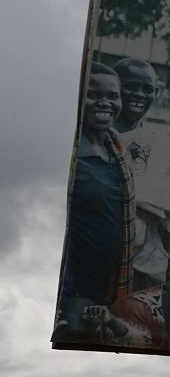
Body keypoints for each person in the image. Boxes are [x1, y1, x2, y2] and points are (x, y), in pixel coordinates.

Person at [56, 62, 137, 332]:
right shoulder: (72, 156)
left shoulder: (117, 148)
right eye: (94, 94)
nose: (105, 103)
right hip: (76, 291)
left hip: (110, 289)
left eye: (112, 96)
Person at [112, 58, 170, 287]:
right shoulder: (95, 136)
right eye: (130, 86)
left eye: (147, 89)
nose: (139, 95)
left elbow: (163, 197)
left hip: (146, 255)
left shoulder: (161, 142)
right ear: (114, 87)